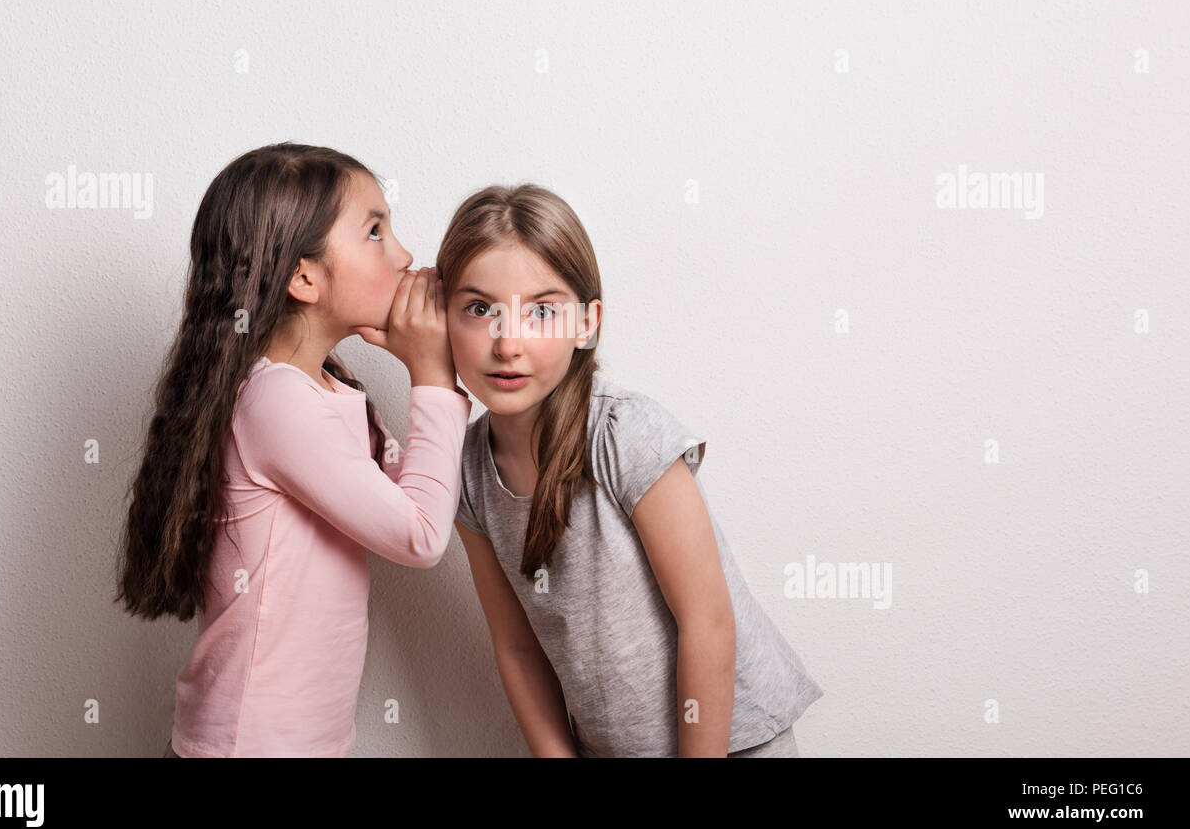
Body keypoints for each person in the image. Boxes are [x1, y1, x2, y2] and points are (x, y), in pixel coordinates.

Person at [440, 183, 823, 757]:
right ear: (438, 316)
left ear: (586, 324)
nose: (507, 342)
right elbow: (517, 646)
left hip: (733, 744)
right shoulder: (467, 473)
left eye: (541, 311)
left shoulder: (624, 434)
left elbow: (708, 622)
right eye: (478, 309)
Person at [116, 142, 471, 756]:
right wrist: (434, 379)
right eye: (375, 232)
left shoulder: (327, 385)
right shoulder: (276, 400)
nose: (406, 254)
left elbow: (407, 493)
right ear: (303, 276)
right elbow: (420, 535)